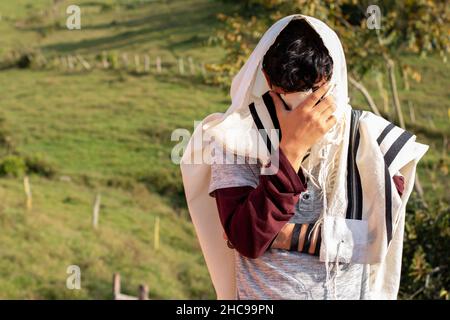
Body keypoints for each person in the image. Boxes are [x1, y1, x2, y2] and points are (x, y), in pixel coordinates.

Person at [180, 15, 428, 300]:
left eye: (313, 94)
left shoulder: (372, 141)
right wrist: (291, 151)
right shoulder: (237, 137)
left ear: (331, 80)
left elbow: (373, 240)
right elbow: (248, 238)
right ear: (267, 77)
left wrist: (282, 235)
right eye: (287, 95)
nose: (302, 109)